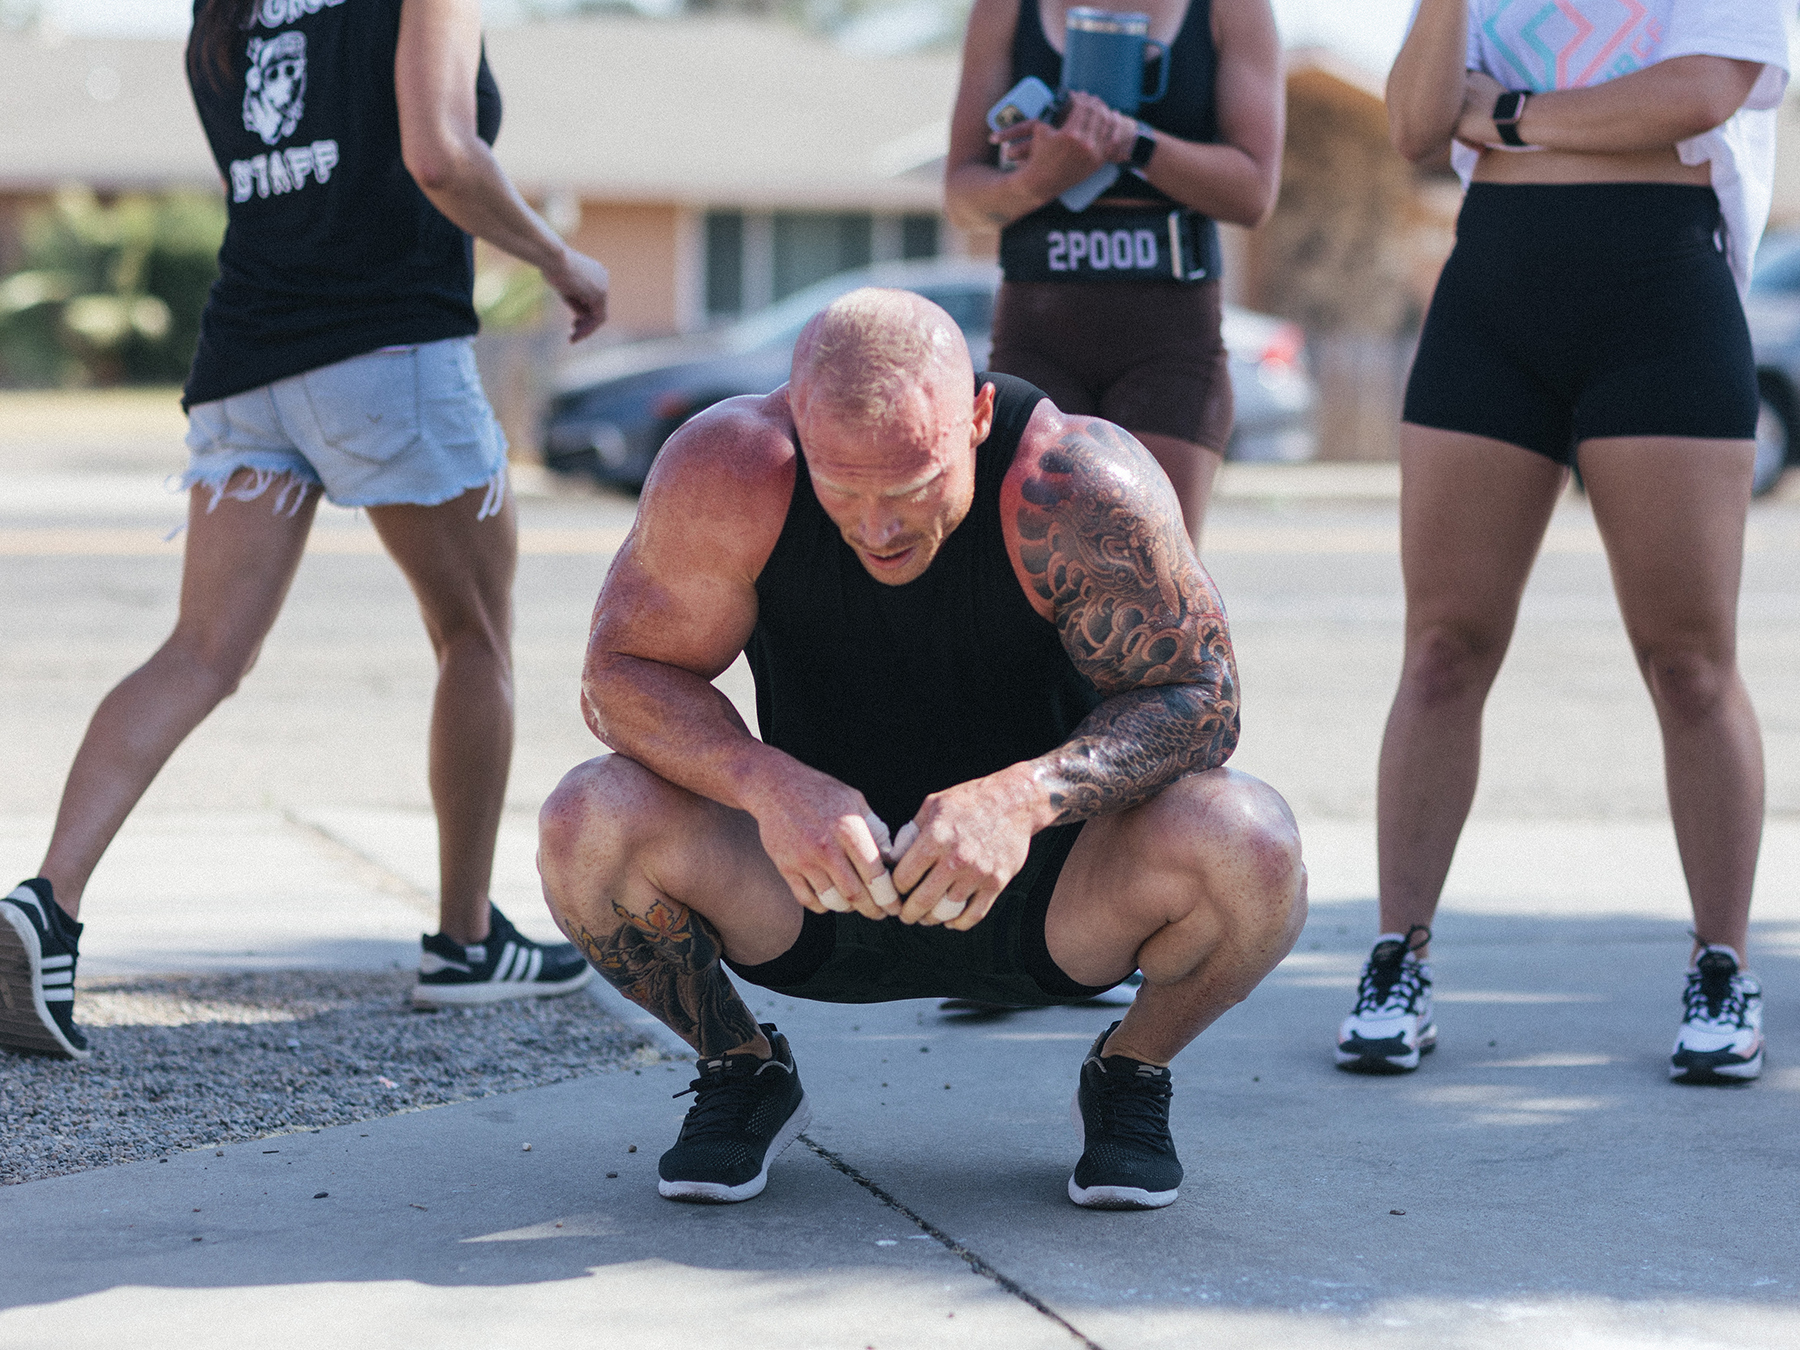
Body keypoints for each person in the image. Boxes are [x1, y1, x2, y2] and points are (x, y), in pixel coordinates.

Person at [537, 288, 1306, 1209]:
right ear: (796, 420)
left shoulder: (1077, 483)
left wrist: (1024, 798)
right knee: (588, 820)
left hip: (1054, 893)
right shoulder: (730, 467)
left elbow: (1203, 698)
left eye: (910, 487)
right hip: (809, 882)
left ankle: (1132, 1072)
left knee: (1253, 843)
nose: (877, 526)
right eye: (842, 489)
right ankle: (740, 1069)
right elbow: (618, 676)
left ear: (977, 418)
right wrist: (766, 785)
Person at [0, 0, 611, 1062]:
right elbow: (441, 157)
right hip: (389, 353)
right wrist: (562, 261)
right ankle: (467, 944)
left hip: (248, 359)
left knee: (200, 651)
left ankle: (44, 907)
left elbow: (283, 181)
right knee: (474, 637)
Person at [1335, 0, 1788, 1085]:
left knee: (1687, 660)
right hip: (1495, 285)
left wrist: (1520, 115)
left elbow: (1701, 91)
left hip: (1659, 285)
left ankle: (1722, 963)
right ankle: (1399, 957)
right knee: (1444, 647)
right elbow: (1414, 126)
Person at [942, 0, 1283, 549]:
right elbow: (962, 197)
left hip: (1169, 342)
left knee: (1149, 580)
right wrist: (1039, 181)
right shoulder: (1003, 9)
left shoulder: (1233, 9)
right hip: (1038, 335)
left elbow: (1252, 193)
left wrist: (1130, 143)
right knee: (1031, 586)